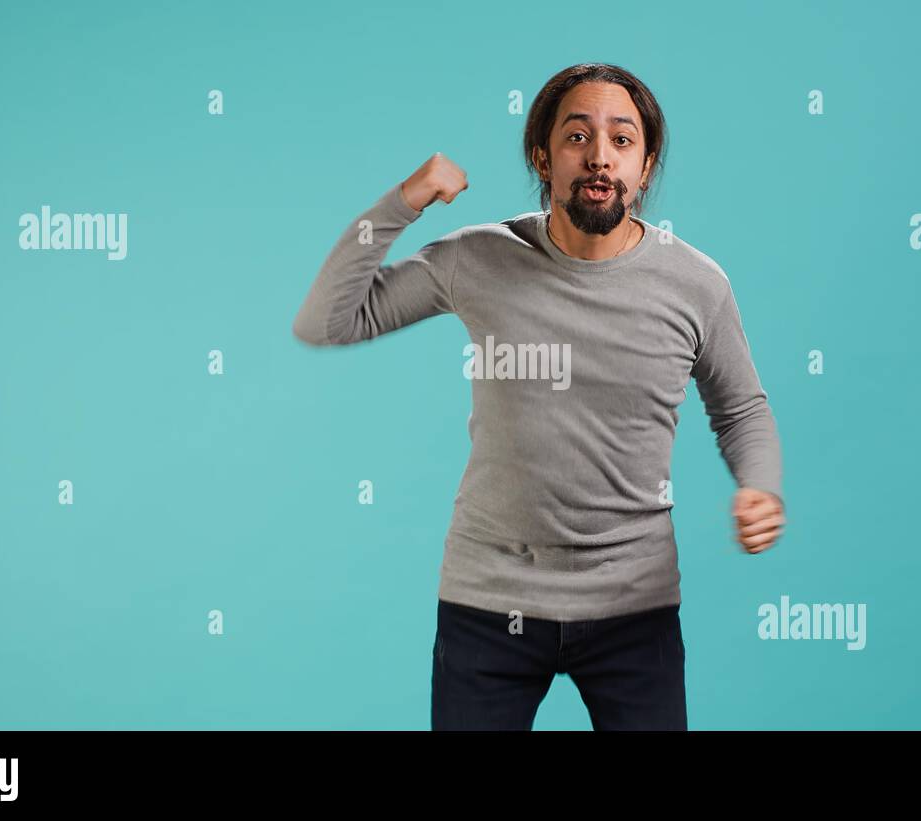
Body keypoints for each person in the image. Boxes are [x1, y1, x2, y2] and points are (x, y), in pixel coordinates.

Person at [293, 63, 786, 730]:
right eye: (577, 136)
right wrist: (403, 201)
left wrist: (760, 483)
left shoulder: (697, 284)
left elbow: (741, 409)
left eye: (622, 140)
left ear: (645, 167)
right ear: (542, 158)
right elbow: (325, 321)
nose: (599, 157)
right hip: (488, 602)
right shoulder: (478, 258)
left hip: (633, 607)